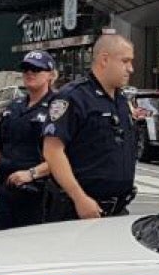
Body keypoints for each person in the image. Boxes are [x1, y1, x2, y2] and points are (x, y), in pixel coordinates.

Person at [43, 32, 140, 220]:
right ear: (105, 59)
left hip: (116, 210)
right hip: (78, 210)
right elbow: (52, 151)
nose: (131, 69)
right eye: (125, 61)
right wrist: (79, 198)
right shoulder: (73, 97)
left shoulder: (121, 100)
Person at [0, 51, 58, 232]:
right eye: (26, 69)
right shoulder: (14, 107)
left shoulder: (58, 108)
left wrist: (32, 173)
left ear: (50, 75)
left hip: (39, 196)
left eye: (36, 69)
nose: (30, 73)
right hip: (7, 194)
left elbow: (66, 156)